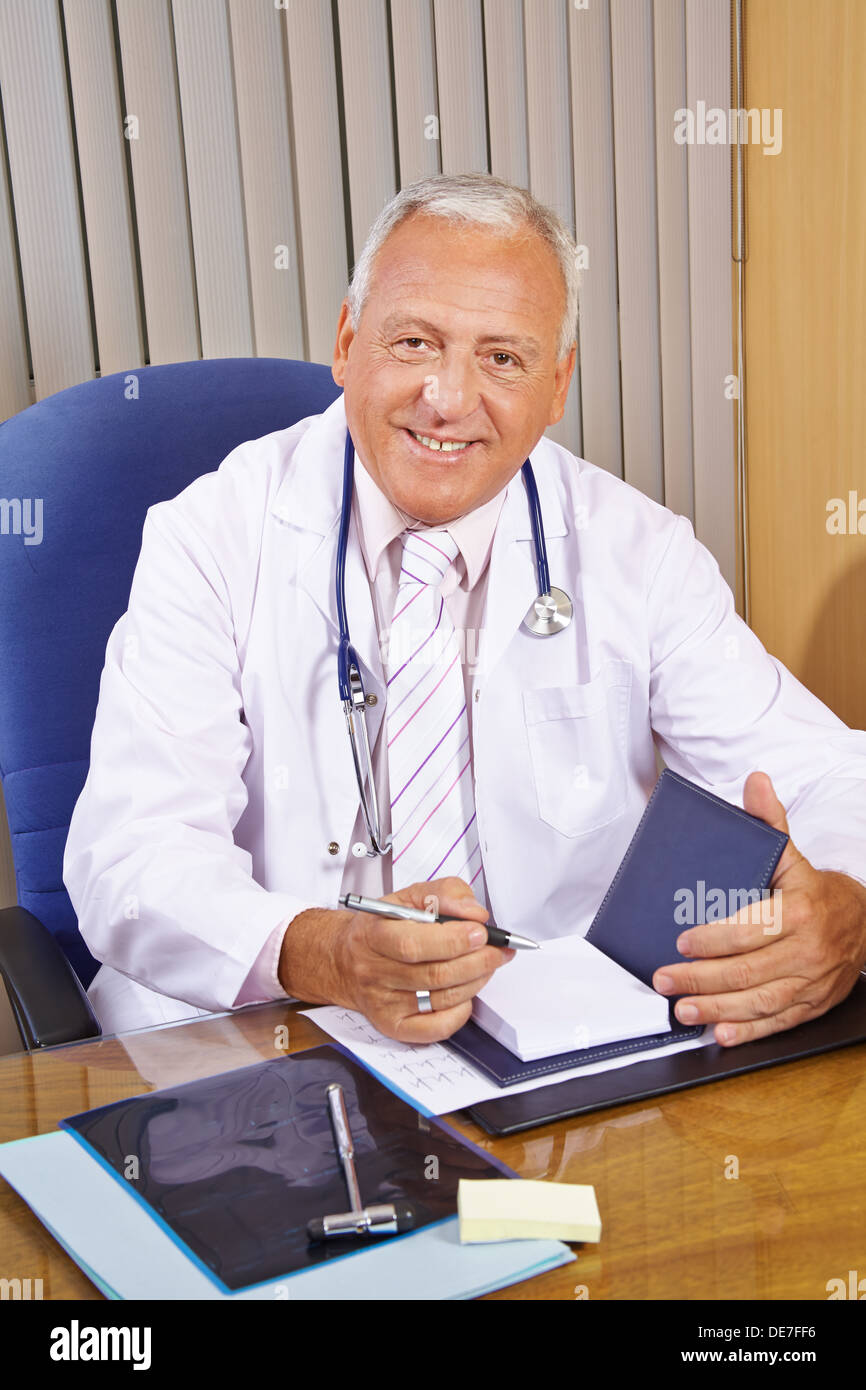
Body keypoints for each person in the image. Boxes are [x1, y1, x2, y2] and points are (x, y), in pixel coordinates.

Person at [63, 172, 866, 1047]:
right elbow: (132, 858)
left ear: (557, 388)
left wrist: (850, 910)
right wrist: (326, 952)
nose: (448, 399)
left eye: (503, 358)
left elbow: (825, 775)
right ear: (346, 343)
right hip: (265, 1038)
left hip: (546, 1047)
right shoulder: (209, 537)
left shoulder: (641, 551)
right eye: (413, 342)